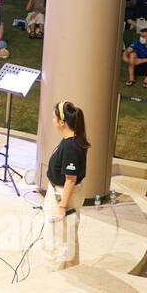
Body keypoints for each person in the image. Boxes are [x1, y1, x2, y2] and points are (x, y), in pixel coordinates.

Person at [44, 100, 89, 270]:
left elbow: (70, 179)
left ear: (62, 122)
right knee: (68, 237)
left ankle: (56, 277)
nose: (53, 120)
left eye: (54, 117)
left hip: (63, 195)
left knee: (57, 240)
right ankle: (71, 270)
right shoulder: (73, 139)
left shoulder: (71, 146)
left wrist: (62, 206)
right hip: (64, 193)